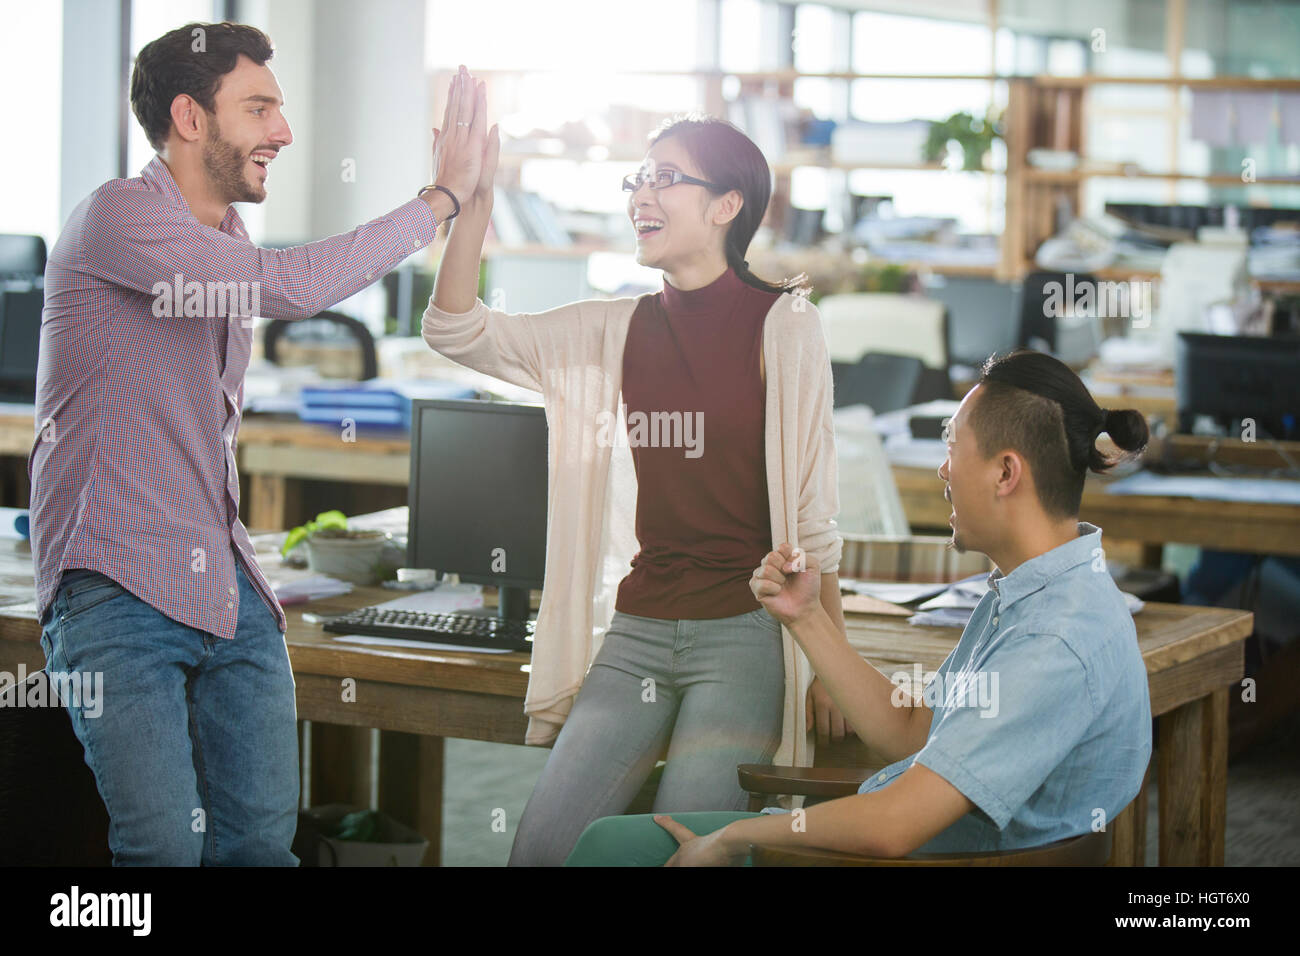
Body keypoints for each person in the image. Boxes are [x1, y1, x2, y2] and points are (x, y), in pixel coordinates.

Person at [29, 21, 484, 865]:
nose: (282, 130)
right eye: (261, 107)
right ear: (191, 119)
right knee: (162, 847)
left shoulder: (226, 243)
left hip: (227, 589)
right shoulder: (118, 218)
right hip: (117, 588)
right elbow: (298, 285)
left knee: (261, 849)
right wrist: (440, 201)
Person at [422, 114, 857, 866]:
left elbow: (813, 519)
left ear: (726, 206)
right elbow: (456, 330)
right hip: (639, 631)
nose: (641, 195)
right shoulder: (612, 328)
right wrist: (474, 206)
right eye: (638, 177)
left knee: (683, 850)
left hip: (743, 634)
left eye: (665, 177)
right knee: (542, 853)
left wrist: (831, 660)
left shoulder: (786, 325)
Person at [564, 349, 1155, 865]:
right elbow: (915, 731)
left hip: (903, 860)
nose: (944, 469)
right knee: (620, 837)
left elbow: (896, 825)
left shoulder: (1054, 640)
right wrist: (808, 617)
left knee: (609, 848)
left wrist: (739, 836)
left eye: (952, 446)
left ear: (1006, 472)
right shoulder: (1035, 594)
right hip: (907, 846)